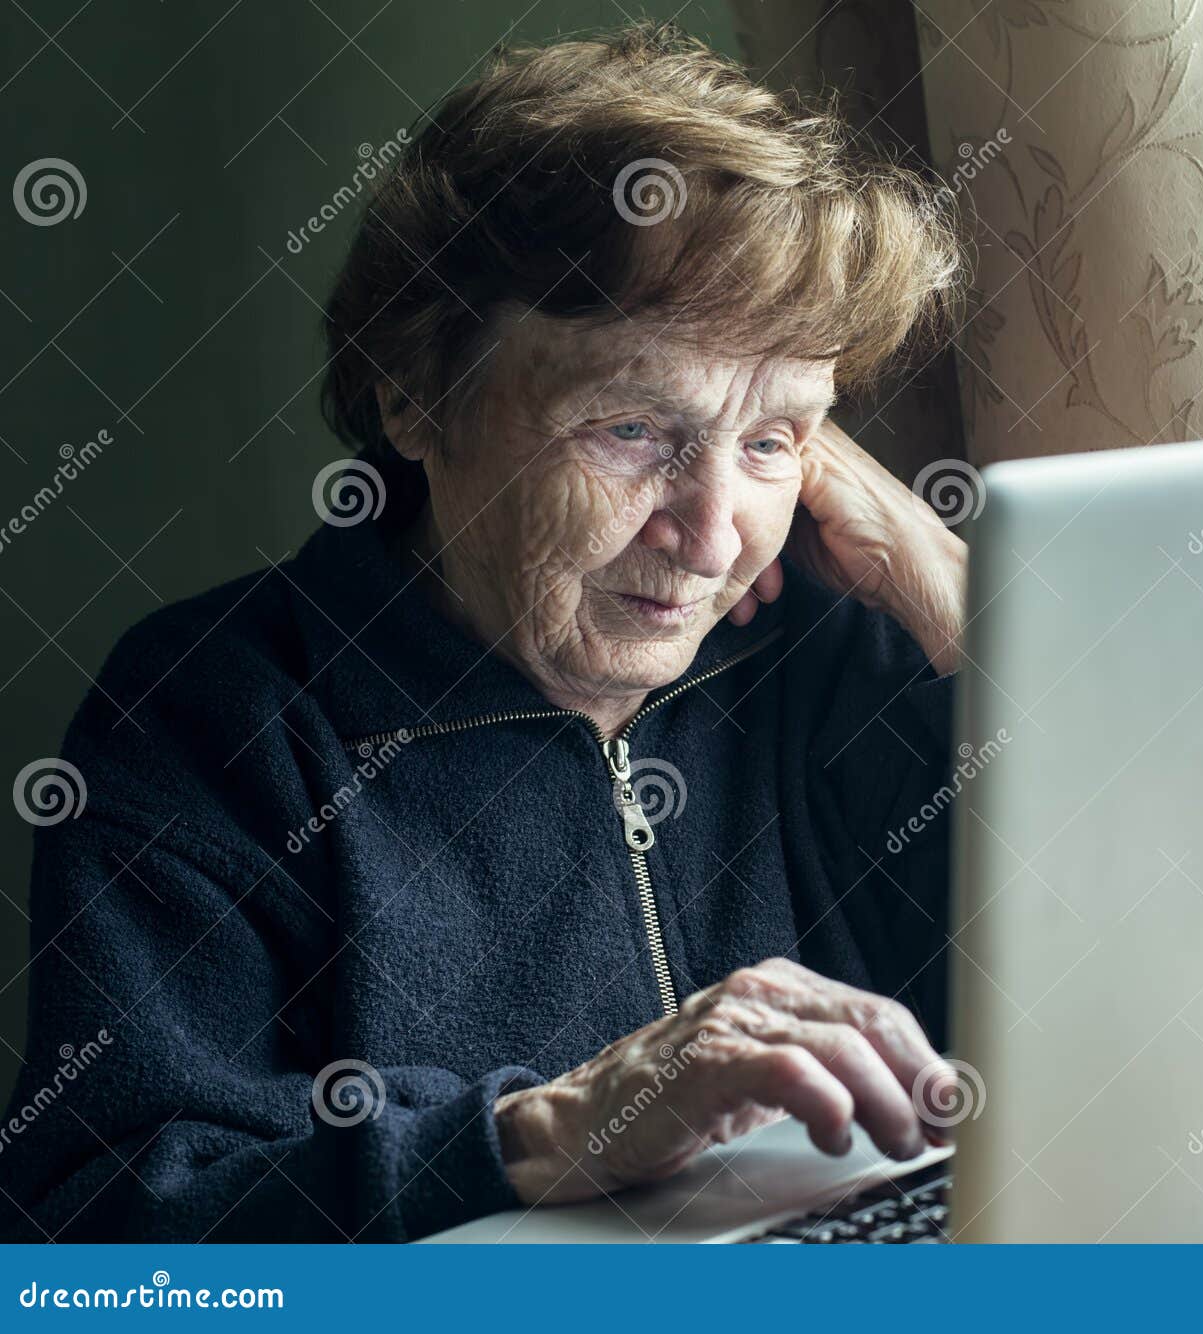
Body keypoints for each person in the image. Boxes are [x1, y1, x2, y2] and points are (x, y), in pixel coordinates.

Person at [1, 23, 968, 1241]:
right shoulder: (213, 715)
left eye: (774, 440)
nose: (714, 536)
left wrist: (955, 597)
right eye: (631, 428)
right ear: (415, 388)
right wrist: (542, 1131)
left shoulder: (849, 656)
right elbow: (93, 1235)